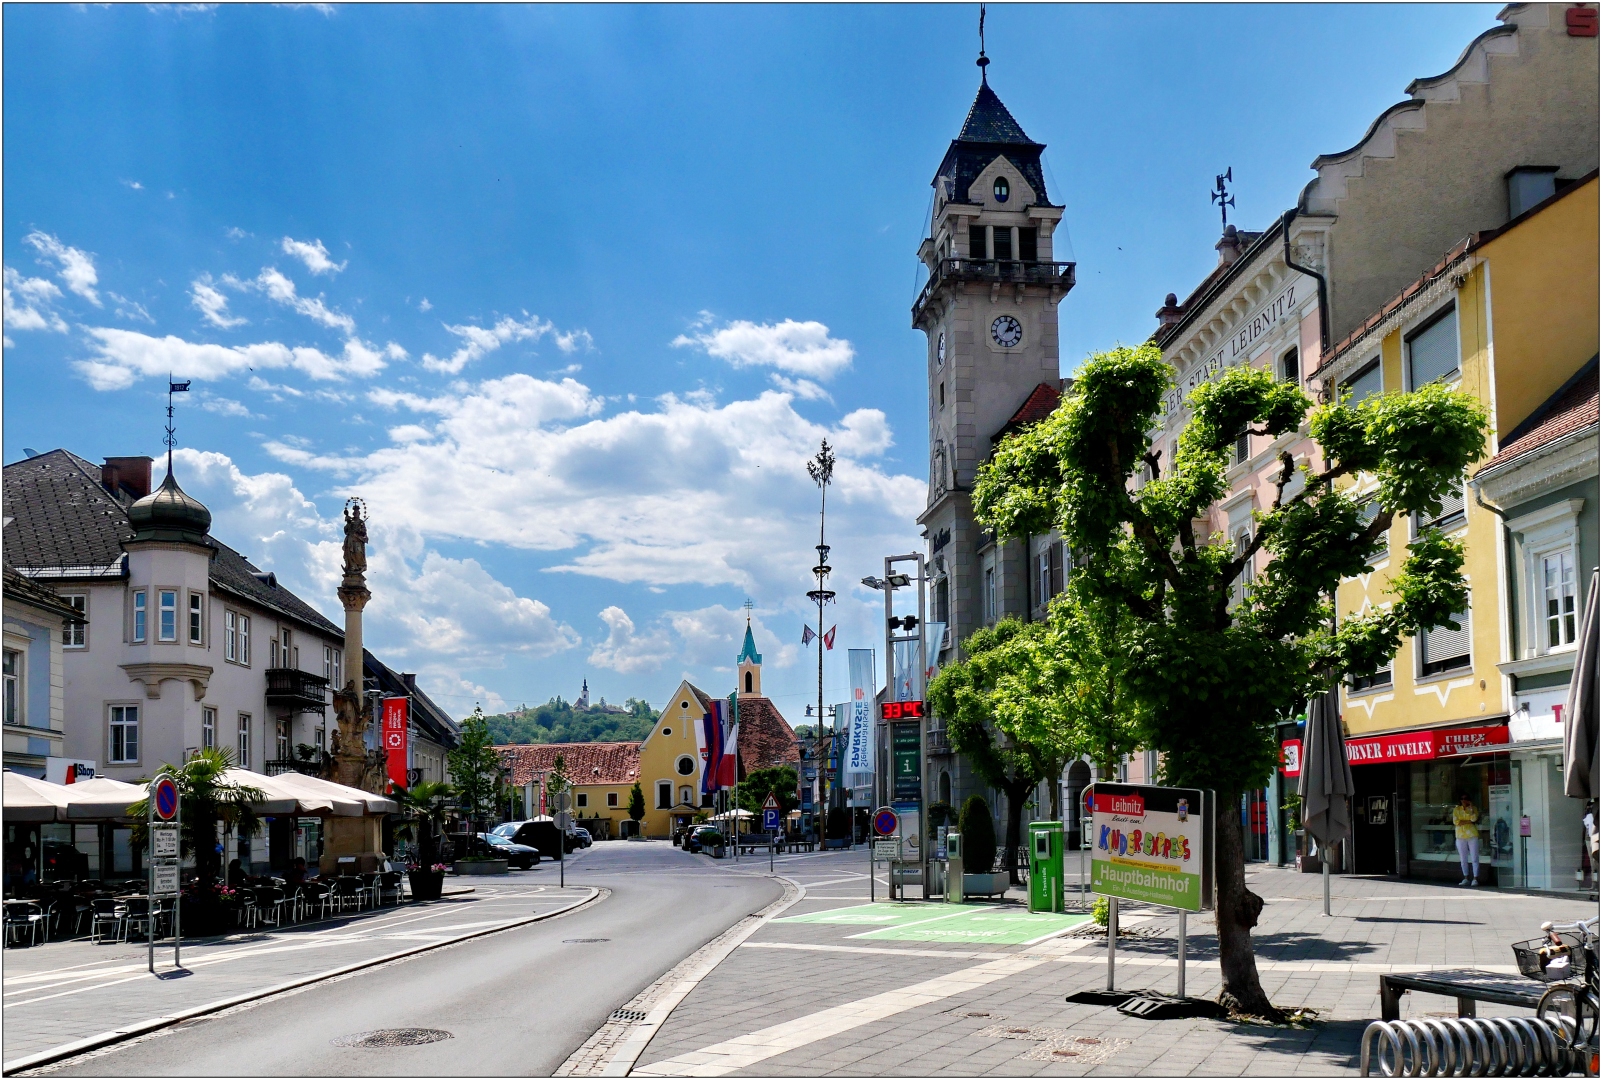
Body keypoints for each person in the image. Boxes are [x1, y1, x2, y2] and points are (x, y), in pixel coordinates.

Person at [1452, 794, 1482, 886]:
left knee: (1474, 857)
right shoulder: (1456, 809)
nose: (1463, 800)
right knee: (1463, 858)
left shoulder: (1473, 809)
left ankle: (1475, 878)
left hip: (1472, 835)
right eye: (1462, 799)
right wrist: (1469, 821)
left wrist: (1471, 809)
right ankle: (1466, 877)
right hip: (1460, 836)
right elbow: (1456, 822)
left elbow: (1474, 818)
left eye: (1465, 799)